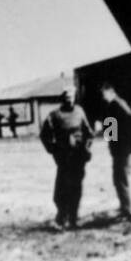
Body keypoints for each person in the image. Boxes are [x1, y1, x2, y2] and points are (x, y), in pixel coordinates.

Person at [39, 87, 93, 229]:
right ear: (62, 98)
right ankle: (62, 215)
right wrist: (53, 149)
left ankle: (73, 217)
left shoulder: (80, 111)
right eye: (67, 96)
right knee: (61, 189)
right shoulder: (54, 115)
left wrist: (86, 147)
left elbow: (89, 132)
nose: (70, 99)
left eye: (72, 96)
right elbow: (44, 135)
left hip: (78, 156)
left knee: (76, 187)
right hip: (63, 157)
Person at [99, 84, 131, 222]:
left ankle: (129, 212)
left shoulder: (113, 105)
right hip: (125, 148)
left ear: (110, 92)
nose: (103, 97)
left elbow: (109, 132)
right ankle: (126, 210)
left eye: (103, 93)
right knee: (122, 179)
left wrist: (102, 128)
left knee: (121, 180)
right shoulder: (122, 103)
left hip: (121, 150)